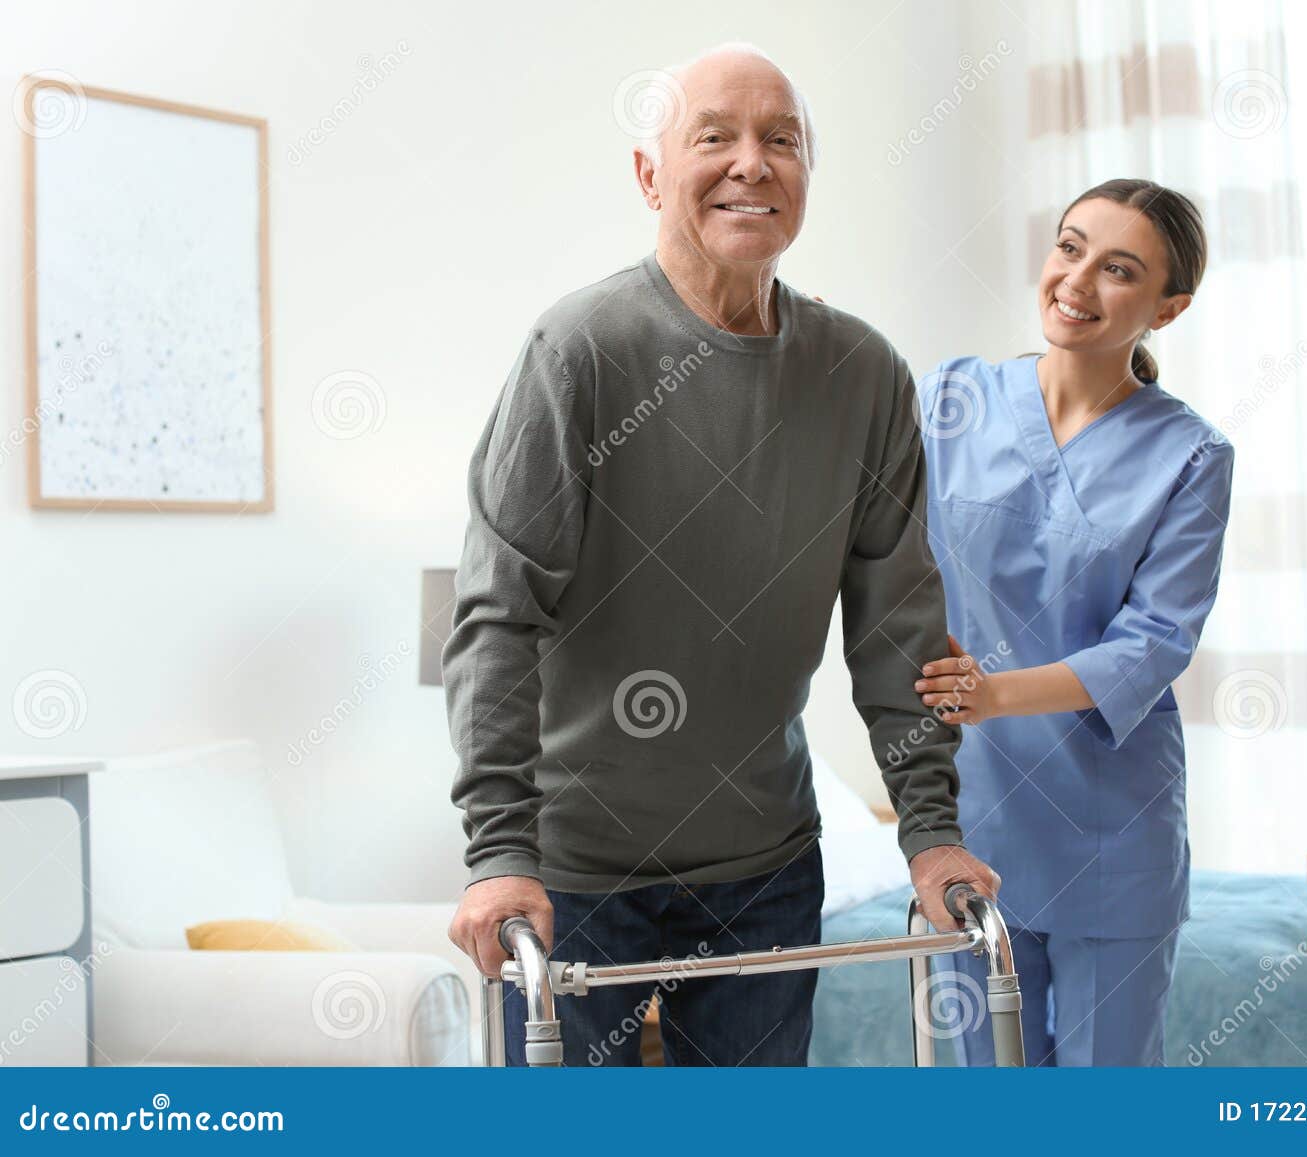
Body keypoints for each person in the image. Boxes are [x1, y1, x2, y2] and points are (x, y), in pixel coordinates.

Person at [442, 42, 998, 1067]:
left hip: (765, 868)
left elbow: (898, 627)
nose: (752, 161)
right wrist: (498, 850)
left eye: (781, 139)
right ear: (650, 175)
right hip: (574, 871)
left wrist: (929, 828)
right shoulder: (579, 351)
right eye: (714, 137)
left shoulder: (863, 373)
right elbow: (496, 617)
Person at [914, 179, 1233, 1066]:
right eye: (1069, 247)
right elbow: (861, 526)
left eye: (1119, 270)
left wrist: (993, 693)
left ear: (1168, 309)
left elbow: (1154, 641)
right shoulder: (949, 399)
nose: (1078, 281)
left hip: (1112, 830)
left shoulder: (1192, 454)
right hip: (970, 814)